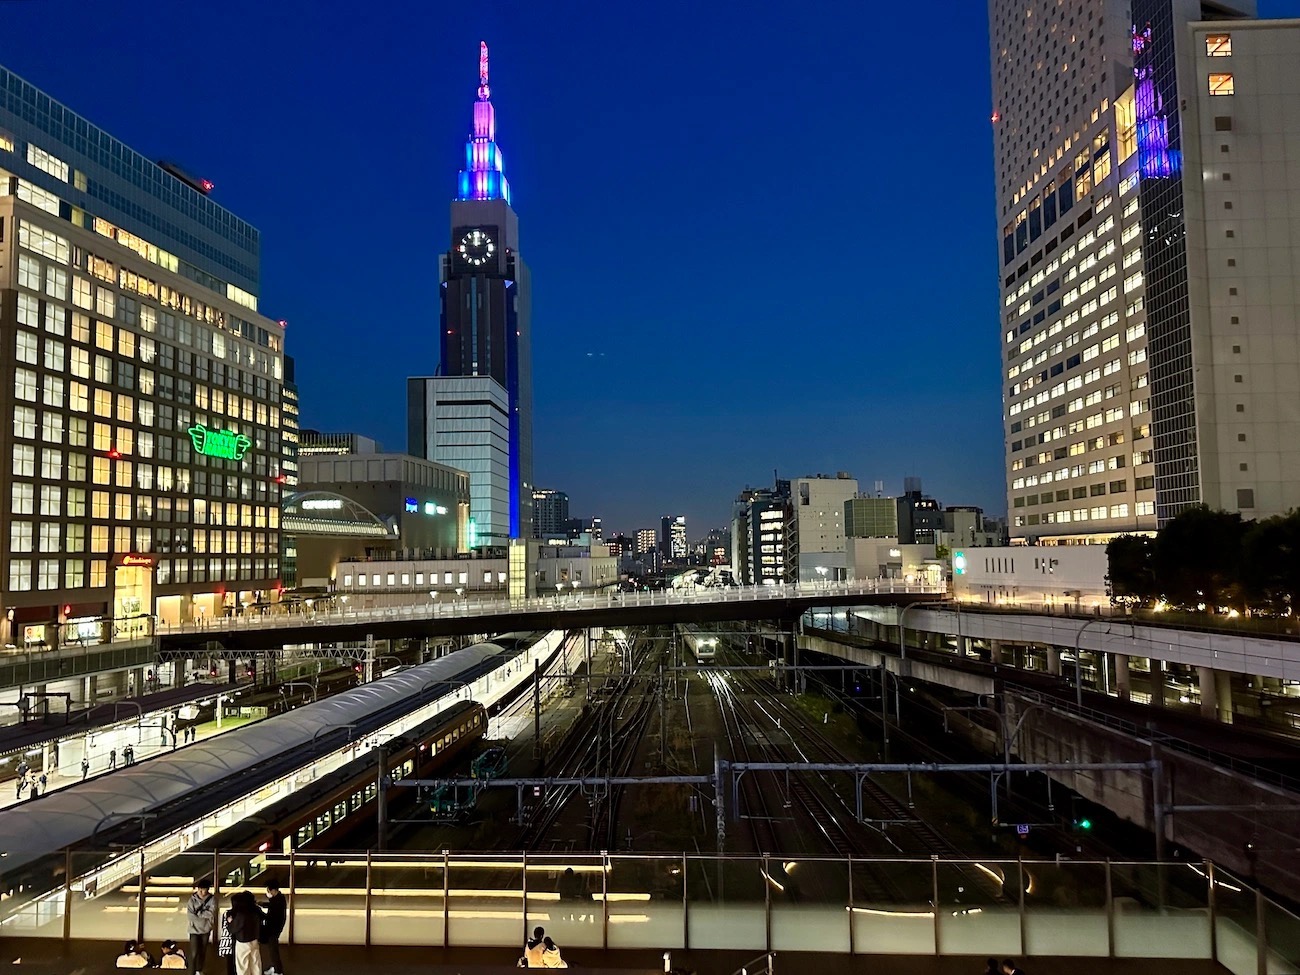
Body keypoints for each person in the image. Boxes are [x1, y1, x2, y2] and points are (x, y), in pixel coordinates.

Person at [229, 890, 264, 975]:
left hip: (243, 942)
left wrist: (230, 922)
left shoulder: (241, 914)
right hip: (254, 940)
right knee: (256, 963)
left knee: (243, 965)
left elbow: (233, 929)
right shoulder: (256, 910)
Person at [186, 879, 217, 975]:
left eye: (203, 890)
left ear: (207, 890)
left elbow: (212, 913)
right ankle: (192, 972)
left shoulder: (212, 899)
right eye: (200, 890)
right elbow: (190, 915)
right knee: (194, 952)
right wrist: (203, 915)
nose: (201, 892)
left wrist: (198, 914)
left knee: (203, 951)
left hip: (205, 929)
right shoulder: (192, 899)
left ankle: (199, 970)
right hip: (193, 929)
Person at [258, 883, 286, 975]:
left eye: (268, 891)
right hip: (274, 928)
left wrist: (262, 914)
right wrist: (262, 904)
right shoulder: (279, 898)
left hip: (273, 929)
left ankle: (278, 971)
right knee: (272, 950)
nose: (268, 893)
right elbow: (270, 905)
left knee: (273, 950)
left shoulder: (278, 901)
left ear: (273, 890)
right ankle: (275, 968)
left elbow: (272, 912)